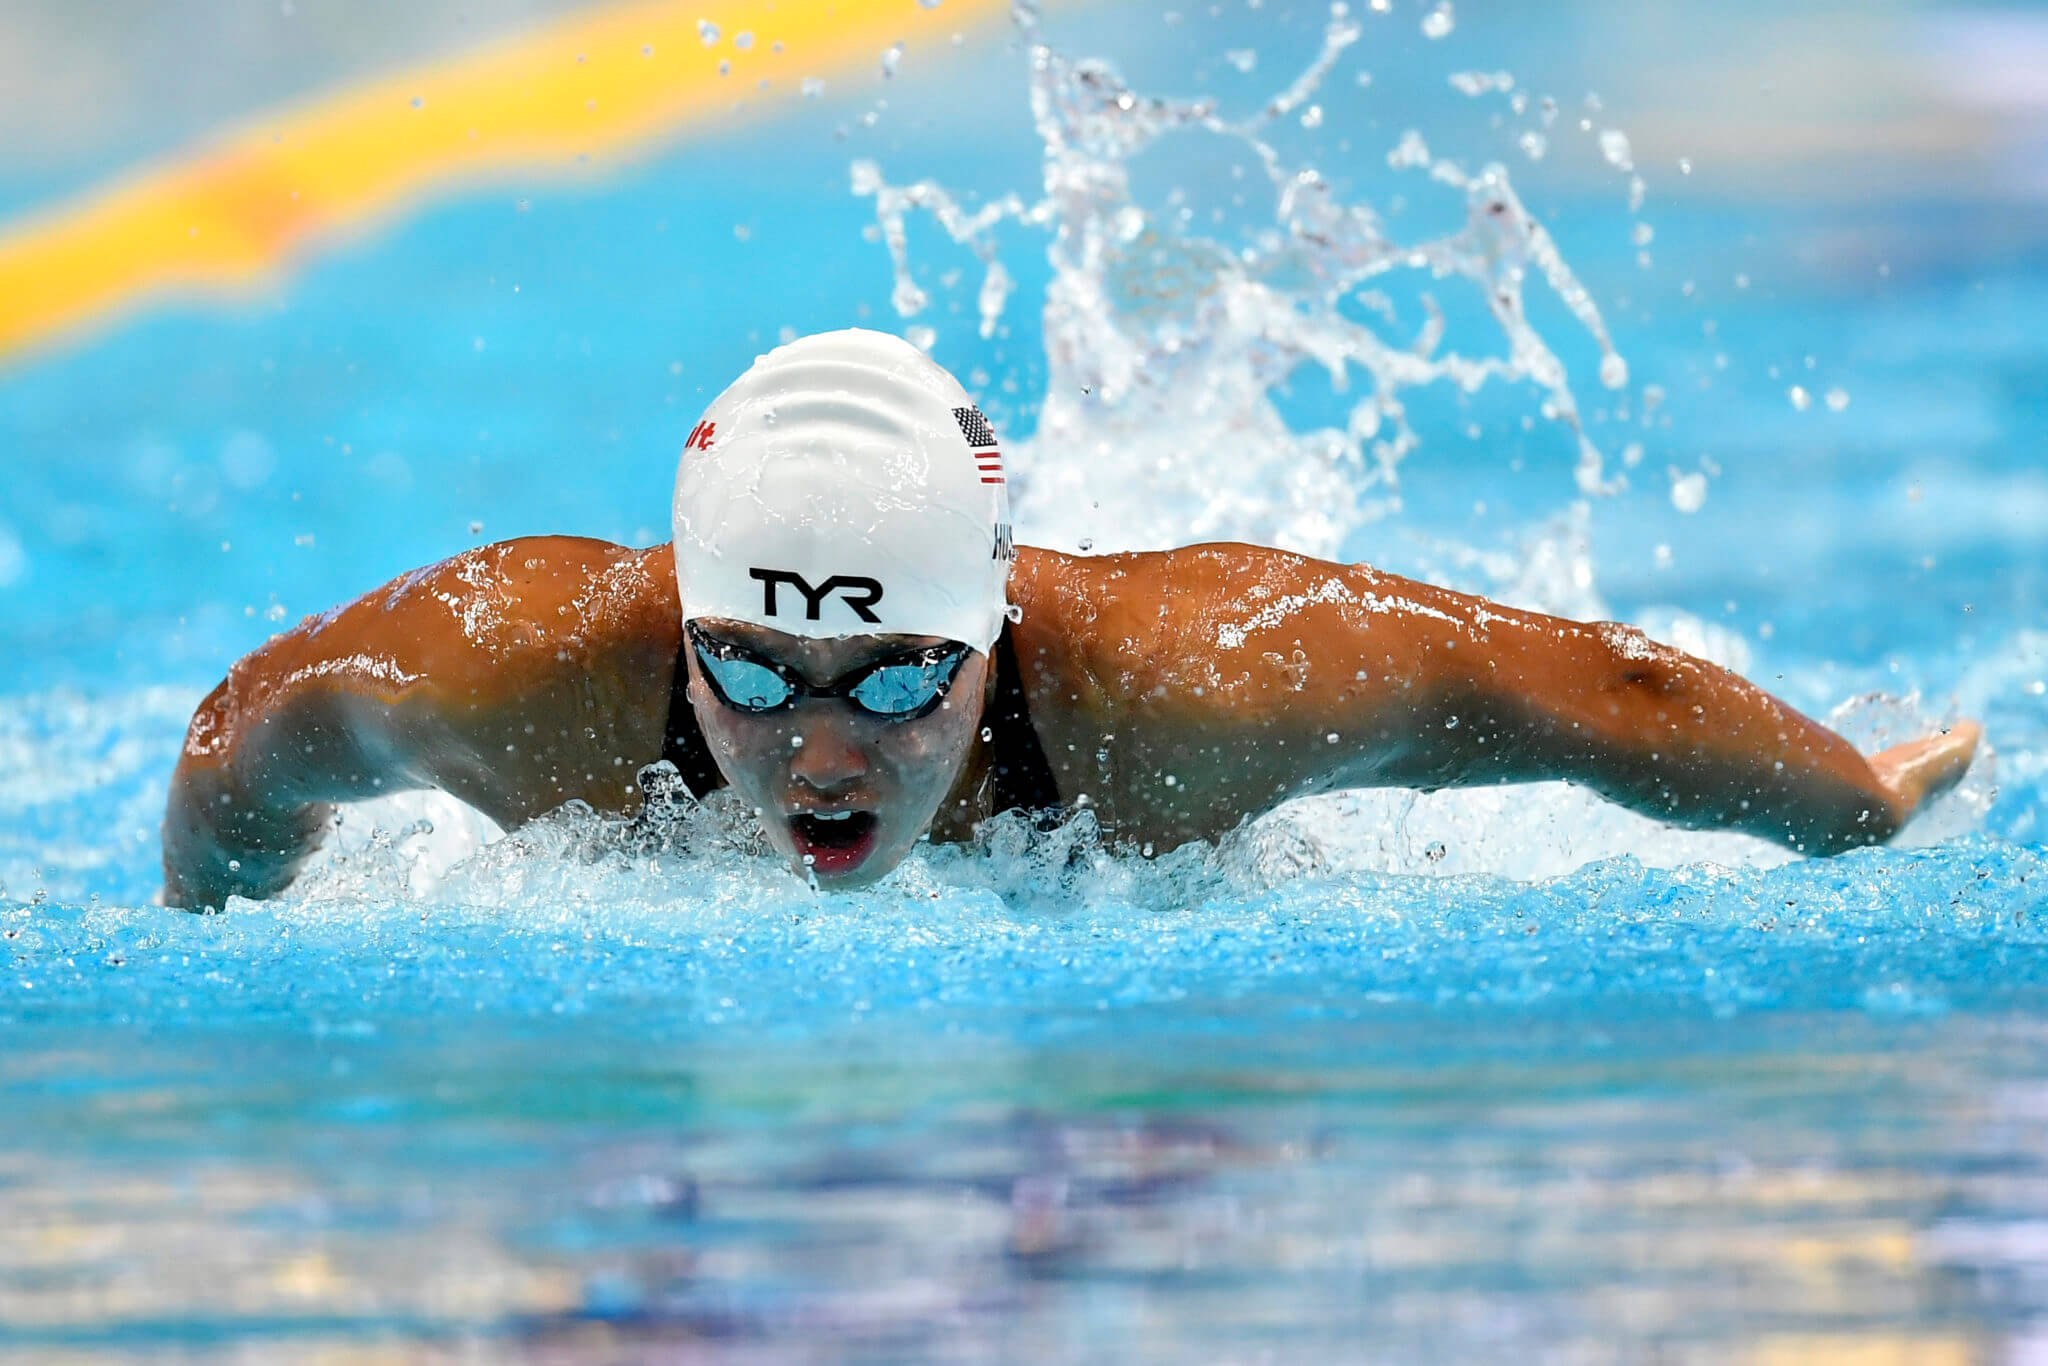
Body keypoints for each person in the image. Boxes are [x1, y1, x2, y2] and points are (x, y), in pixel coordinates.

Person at [161, 329, 1981, 908]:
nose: (817, 745)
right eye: (751, 671)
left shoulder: (1198, 689)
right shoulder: (518, 671)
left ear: (993, 627)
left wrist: (1857, 805)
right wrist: (217, 961)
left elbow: (1596, 688)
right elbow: (241, 736)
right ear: (683, 625)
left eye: (893, 675)